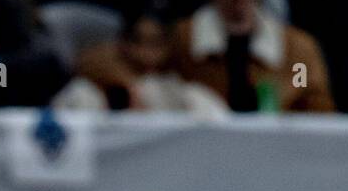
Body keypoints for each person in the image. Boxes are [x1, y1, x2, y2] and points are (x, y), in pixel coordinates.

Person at [170, 0, 334, 113]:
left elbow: (314, 104)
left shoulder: (298, 48)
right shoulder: (184, 40)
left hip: (277, 140)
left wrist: (294, 92)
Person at [62, 7, 227, 114]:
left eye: (155, 43)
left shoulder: (188, 94)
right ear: (122, 43)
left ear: (168, 46)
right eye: (137, 41)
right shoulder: (94, 84)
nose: (145, 53)